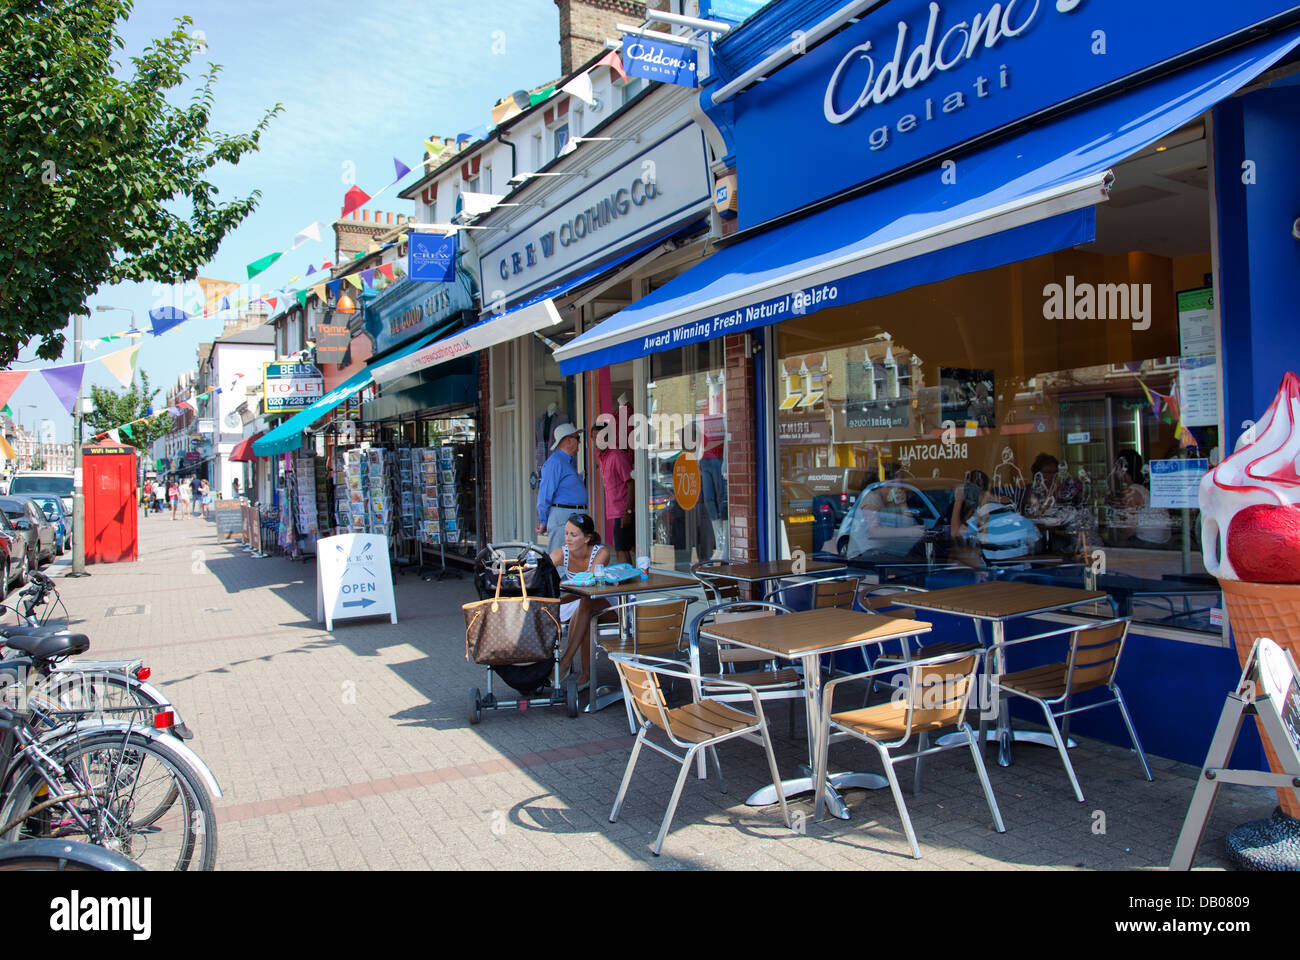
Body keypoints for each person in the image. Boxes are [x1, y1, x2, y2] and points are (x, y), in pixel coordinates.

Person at [550, 513, 610, 687]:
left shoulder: (601, 553)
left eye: (573, 535)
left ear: (587, 538)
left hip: (601, 601)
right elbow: (542, 571)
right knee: (584, 612)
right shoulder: (562, 553)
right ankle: (584, 675)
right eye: (566, 533)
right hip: (575, 604)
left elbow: (588, 588)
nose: (568, 538)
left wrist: (559, 601)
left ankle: (566, 661)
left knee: (586, 602)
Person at [535, 423, 588, 554]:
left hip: (571, 516)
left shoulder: (566, 462)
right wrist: (543, 520)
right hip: (563, 517)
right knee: (560, 560)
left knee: (574, 560)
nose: (580, 441)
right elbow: (545, 495)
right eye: (577, 438)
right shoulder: (555, 462)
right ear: (569, 440)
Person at [591, 418, 634, 564]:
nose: (597, 440)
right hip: (614, 511)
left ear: (608, 437)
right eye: (594, 437)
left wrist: (627, 512)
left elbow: (631, 483)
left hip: (623, 511)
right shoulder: (602, 457)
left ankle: (629, 583)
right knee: (621, 548)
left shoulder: (616, 456)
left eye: (601, 436)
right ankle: (629, 581)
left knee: (622, 549)